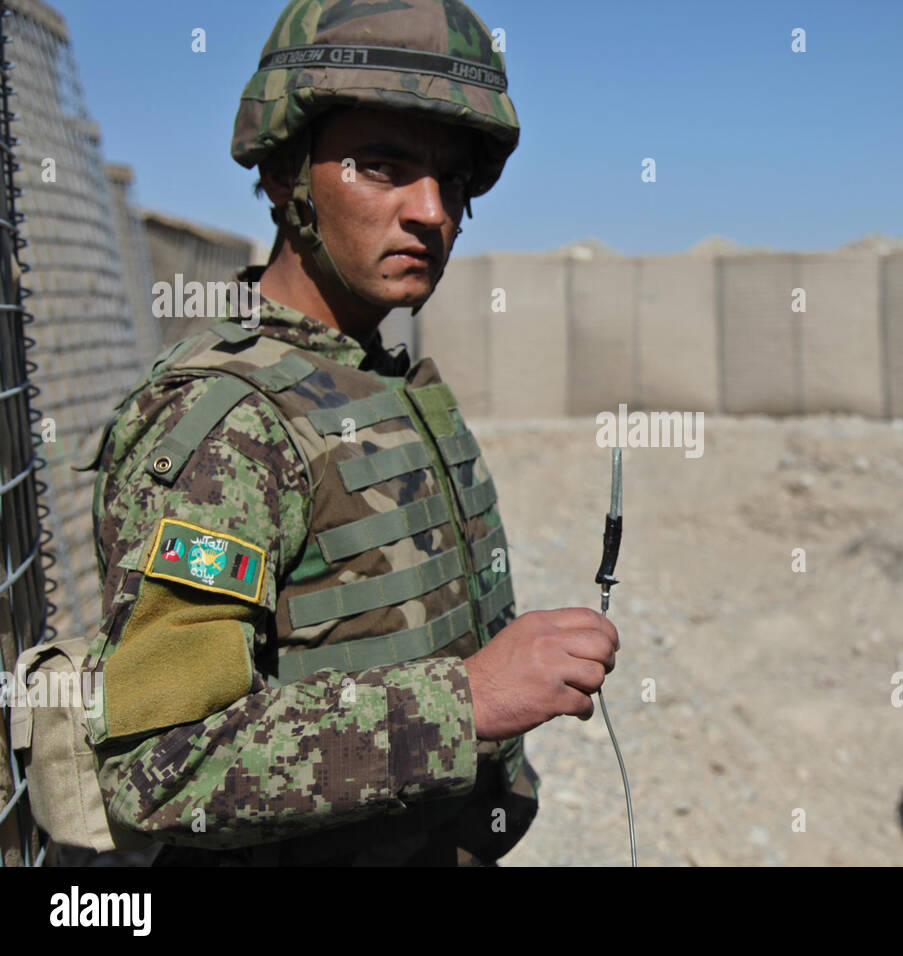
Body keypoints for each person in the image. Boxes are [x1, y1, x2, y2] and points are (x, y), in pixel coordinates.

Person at [75, 0, 619, 866]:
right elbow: (159, 769)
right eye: (383, 167)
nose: (431, 211)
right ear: (288, 175)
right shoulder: (227, 422)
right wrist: (467, 702)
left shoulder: (374, 380)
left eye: (452, 178)